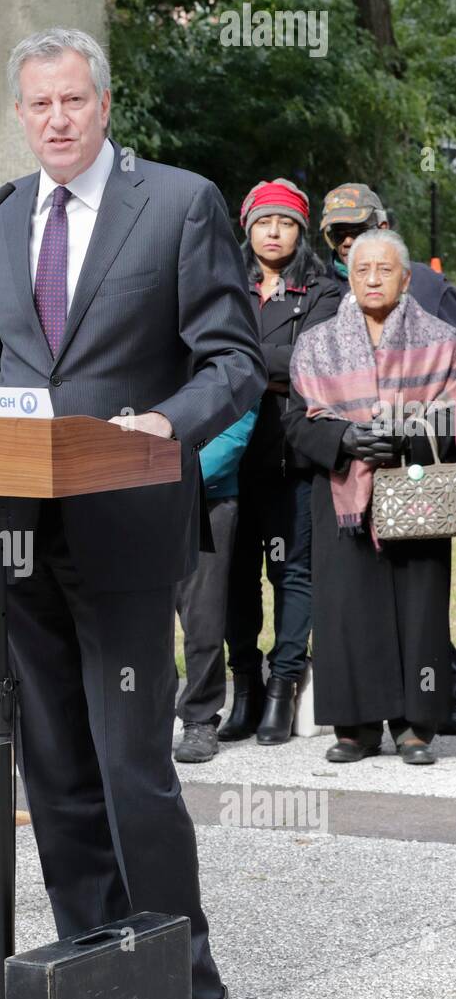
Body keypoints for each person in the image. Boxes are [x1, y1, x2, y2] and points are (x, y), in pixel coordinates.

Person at [0, 27, 265, 999]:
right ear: (20, 111)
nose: (55, 119)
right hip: (16, 530)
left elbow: (231, 360)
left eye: (72, 101)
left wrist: (164, 424)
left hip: (126, 523)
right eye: (37, 104)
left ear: (104, 102)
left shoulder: (176, 204)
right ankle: (94, 958)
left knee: (132, 765)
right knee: (52, 766)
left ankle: (186, 990)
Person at [285, 229, 456, 765]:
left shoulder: (442, 339)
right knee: (346, 609)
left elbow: (452, 410)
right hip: (342, 494)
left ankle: (416, 727)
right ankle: (355, 728)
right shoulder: (316, 343)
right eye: (363, 270)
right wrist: (345, 438)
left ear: (406, 279)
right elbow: (296, 423)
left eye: (385, 270)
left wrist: (407, 433)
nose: (373, 279)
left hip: (415, 487)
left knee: (419, 607)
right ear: (349, 278)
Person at [219, 181, 341, 744]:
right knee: (232, 575)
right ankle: (243, 686)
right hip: (226, 452)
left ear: (300, 229)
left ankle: (283, 686)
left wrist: (241, 364)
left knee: (293, 573)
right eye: (264, 221)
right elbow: (198, 348)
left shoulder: (324, 289)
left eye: (286, 222)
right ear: (247, 226)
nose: (273, 231)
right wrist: (269, 367)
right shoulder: (220, 279)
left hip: (294, 453)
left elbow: (315, 361)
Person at [174, 405, 258, 762]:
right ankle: (135, 715)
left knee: (203, 617)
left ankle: (200, 718)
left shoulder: (224, 350)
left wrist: (171, 478)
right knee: (135, 619)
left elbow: (236, 428)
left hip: (210, 496)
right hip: (136, 492)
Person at [320, 182, 456, 326]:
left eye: (356, 230)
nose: (347, 241)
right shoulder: (319, 291)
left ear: (382, 227)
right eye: (337, 234)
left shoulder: (429, 285)